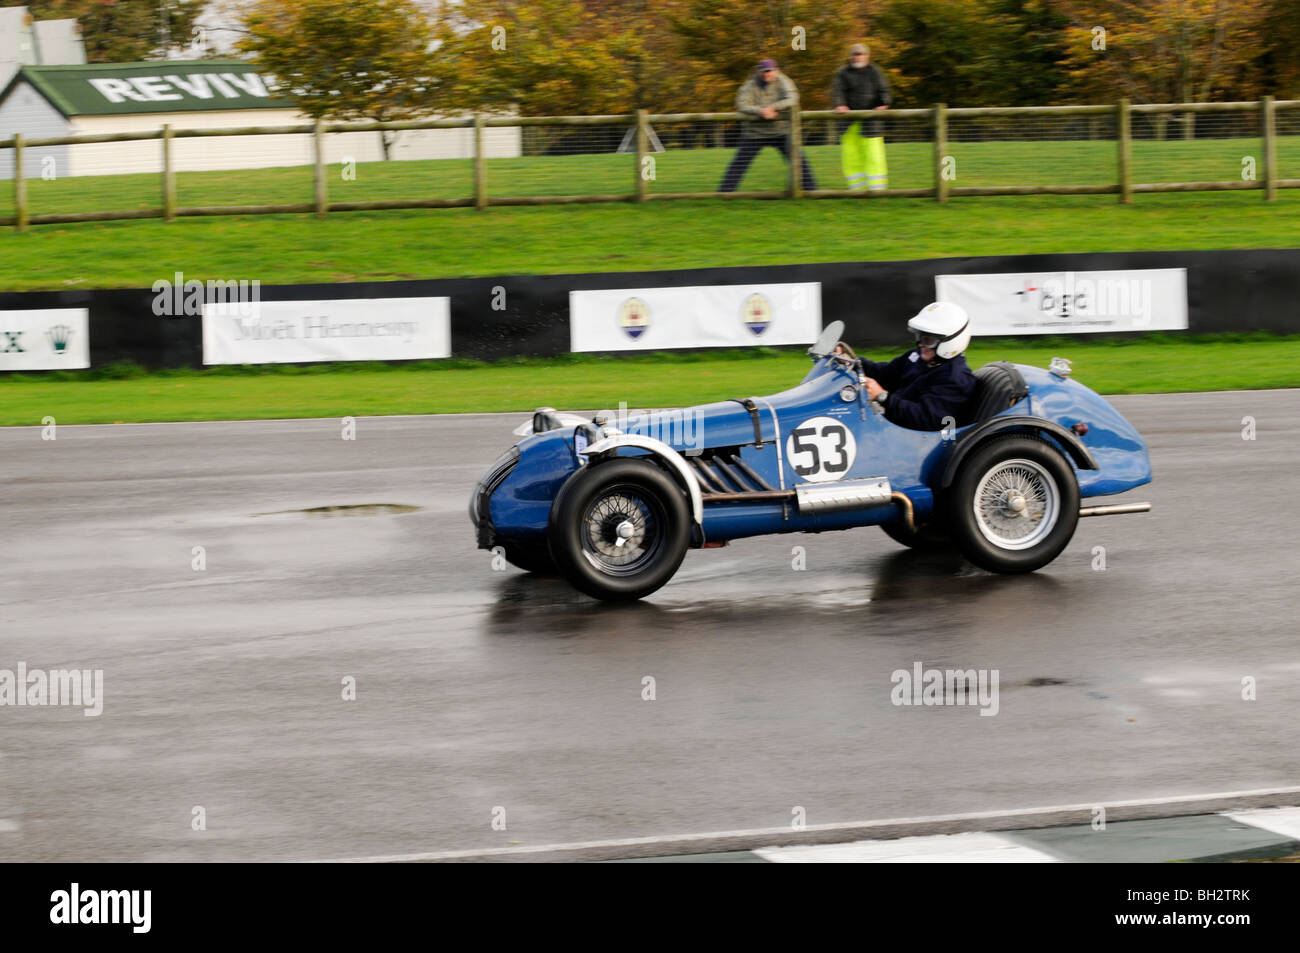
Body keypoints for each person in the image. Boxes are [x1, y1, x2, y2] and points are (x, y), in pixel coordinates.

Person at [859, 302, 977, 431]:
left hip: (913, 438)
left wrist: (883, 397)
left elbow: (927, 419)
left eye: (928, 340)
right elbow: (886, 374)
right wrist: (853, 361)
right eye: (920, 337)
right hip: (890, 421)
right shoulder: (918, 357)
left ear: (950, 342)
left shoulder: (956, 379)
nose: (921, 344)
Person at [719, 58, 817, 193]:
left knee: (799, 160)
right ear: (758, 72)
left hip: (780, 131)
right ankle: (724, 193)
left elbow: (792, 98)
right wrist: (760, 111)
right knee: (739, 163)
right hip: (754, 133)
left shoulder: (783, 81)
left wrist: (773, 107)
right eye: (764, 71)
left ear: (776, 71)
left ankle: (812, 191)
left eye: (769, 71)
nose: (767, 74)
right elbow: (742, 104)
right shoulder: (748, 86)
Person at [832, 43, 891, 191]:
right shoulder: (842, 73)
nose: (858, 57)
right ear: (850, 56)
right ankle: (856, 189)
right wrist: (840, 104)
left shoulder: (875, 72)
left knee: (874, 155)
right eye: (855, 54)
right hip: (849, 122)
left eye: (861, 54)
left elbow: (884, 90)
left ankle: (877, 189)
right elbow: (837, 91)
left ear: (867, 56)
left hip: (871, 121)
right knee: (851, 156)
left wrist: (884, 103)